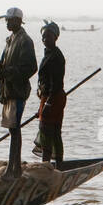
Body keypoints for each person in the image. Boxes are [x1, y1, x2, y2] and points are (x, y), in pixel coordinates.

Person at [0, 7, 37, 179]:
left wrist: (6, 73)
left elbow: (30, 67)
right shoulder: (10, 40)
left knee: (15, 129)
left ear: (18, 20)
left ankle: (13, 169)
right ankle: (14, 166)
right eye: (6, 20)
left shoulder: (25, 41)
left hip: (17, 92)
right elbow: (6, 62)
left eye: (9, 20)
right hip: (8, 91)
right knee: (12, 130)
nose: (7, 23)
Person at [34, 20, 66, 167]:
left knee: (49, 131)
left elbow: (56, 83)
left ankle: (48, 165)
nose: (45, 39)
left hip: (54, 98)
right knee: (50, 130)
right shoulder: (48, 54)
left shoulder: (56, 57)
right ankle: (53, 163)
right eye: (43, 37)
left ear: (55, 37)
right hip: (48, 98)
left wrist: (48, 103)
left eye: (48, 36)